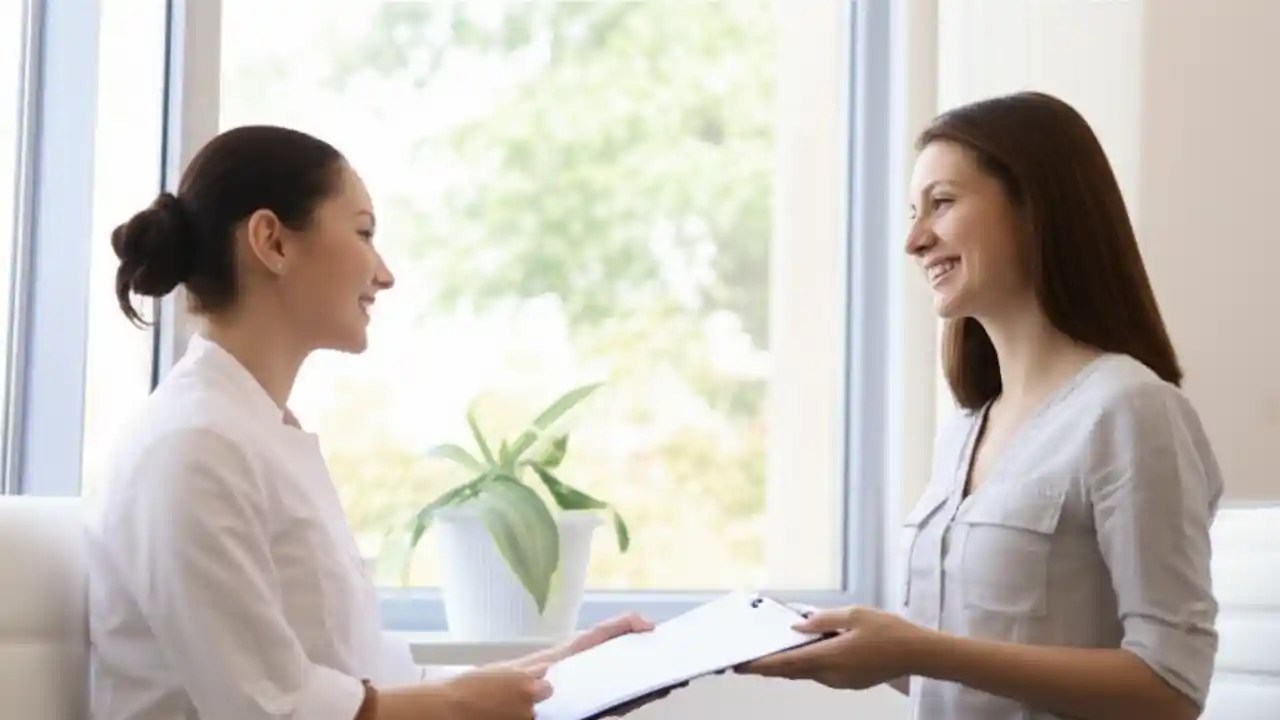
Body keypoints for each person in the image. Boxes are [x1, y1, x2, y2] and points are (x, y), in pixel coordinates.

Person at [87, 124, 654, 720]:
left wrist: (561, 670)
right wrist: (466, 704)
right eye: (363, 233)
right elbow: (267, 709)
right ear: (272, 242)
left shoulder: (249, 433)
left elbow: (362, 683)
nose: (384, 274)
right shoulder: (191, 447)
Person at [740, 91, 1222, 720]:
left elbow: (1171, 688)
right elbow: (976, 677)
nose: (915, 240)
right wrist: (879, 653)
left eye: (942, 203)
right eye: (913, 212)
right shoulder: (965, 432)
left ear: (1034, 209)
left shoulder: (1130, 411)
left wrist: (921, 650)